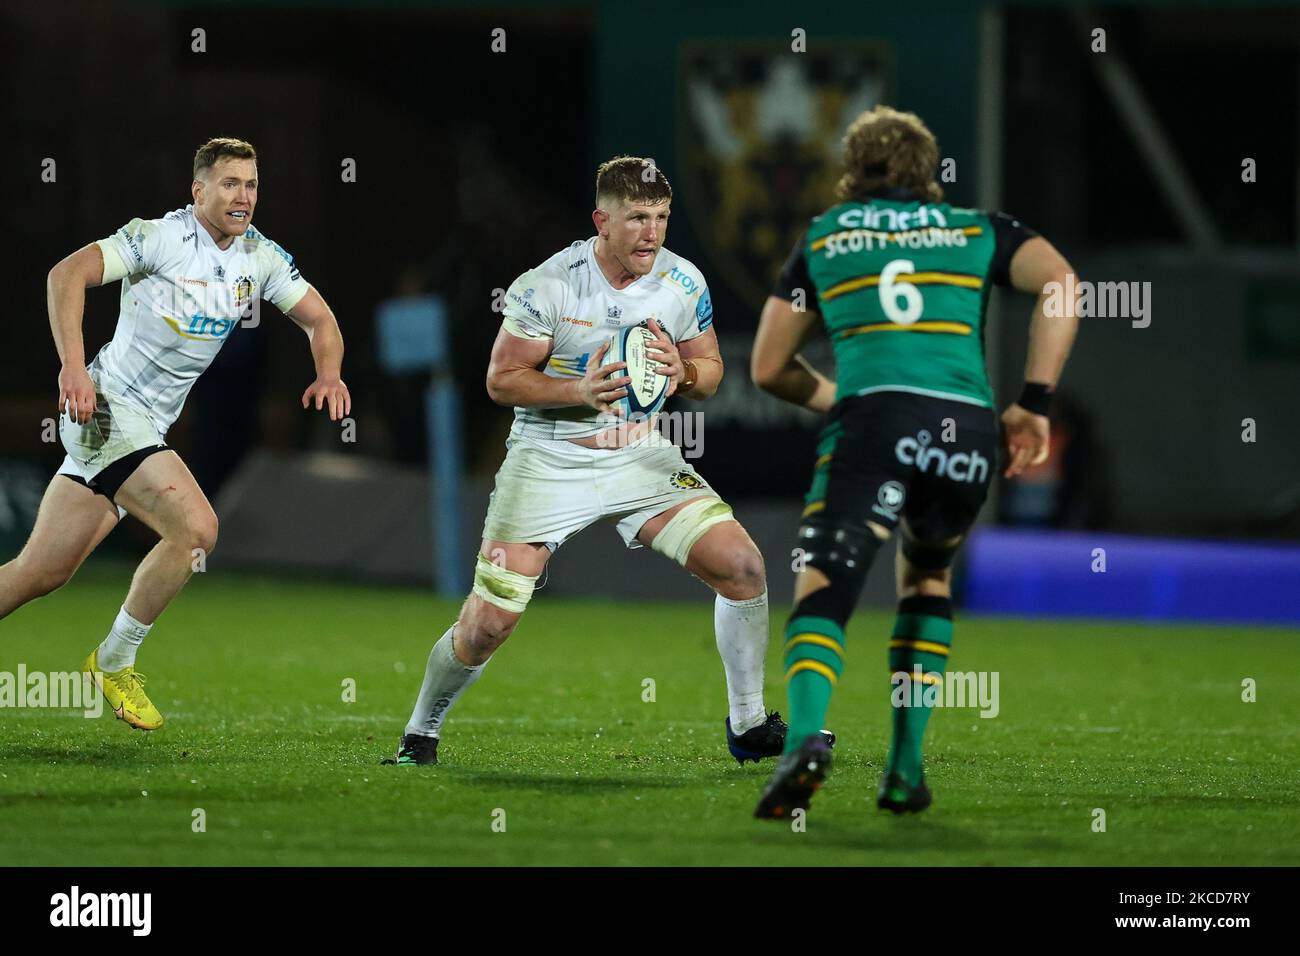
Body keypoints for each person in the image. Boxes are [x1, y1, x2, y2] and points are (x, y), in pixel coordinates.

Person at [387, 156, 821, 766]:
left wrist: (686, 371)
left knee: (743, 567)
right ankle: (420, 734)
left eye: (662, 218)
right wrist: (578, 392)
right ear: (602, 221)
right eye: (638, 217)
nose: (652, 232)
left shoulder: (683, 281)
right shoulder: (551, 285)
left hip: (637, 456)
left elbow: (712, 373)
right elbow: (502, 380)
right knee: (489, 624)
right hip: (548, 458)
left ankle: (748, 725)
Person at [750, 107, 1078, 817]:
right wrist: (1034, 404)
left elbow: (769, 366)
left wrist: (852, 399)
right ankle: (903, 771)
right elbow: (1061, 283)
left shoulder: (827, 236)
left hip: (874, 422)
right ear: (929, 172)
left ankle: (805, 740)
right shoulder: (978, 229)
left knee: (824, 583)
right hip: (967, 431)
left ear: (853, 168)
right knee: (927, 574)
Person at [0, 137, 351, 731]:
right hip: (106, 408)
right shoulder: (162, 237)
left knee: (39, 572)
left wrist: (329, 372)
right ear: (199, 190)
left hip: (139, 426)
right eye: (231, 184)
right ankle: (114, 661)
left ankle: (109, 658)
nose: (244, 197)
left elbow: (320, 318)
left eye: (253, 185)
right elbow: (67, 275)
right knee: (196, 529)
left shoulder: (258, 257)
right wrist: (73, 368)